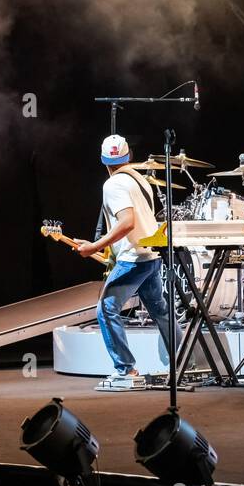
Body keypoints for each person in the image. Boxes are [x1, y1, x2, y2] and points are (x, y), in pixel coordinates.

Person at [75, 134, 177, 391]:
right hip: (150, 255)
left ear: (103, 160)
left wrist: (95, 246)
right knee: (161, 311)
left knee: (106, 310)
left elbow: (128, 222)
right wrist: (109, 251)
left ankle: (126, 371)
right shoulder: (139, 178)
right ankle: (183, 362)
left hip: (135, 258)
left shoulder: (112, 185)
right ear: (128, 156)